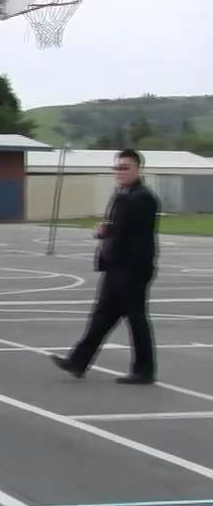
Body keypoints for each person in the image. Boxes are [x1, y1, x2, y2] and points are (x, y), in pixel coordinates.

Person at [51, 148, 159, 384]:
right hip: (116, 267)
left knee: (136, 319)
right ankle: (78, 361)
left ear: (138, 169)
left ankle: (145, 370)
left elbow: (135, 235)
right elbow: (117, 228)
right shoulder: (122, 195)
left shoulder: (142, 197)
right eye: (117, 168)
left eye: (125, 167)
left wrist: (110, 236)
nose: (120, 172)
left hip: (132, 269)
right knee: (102, 317)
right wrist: (104, 232)